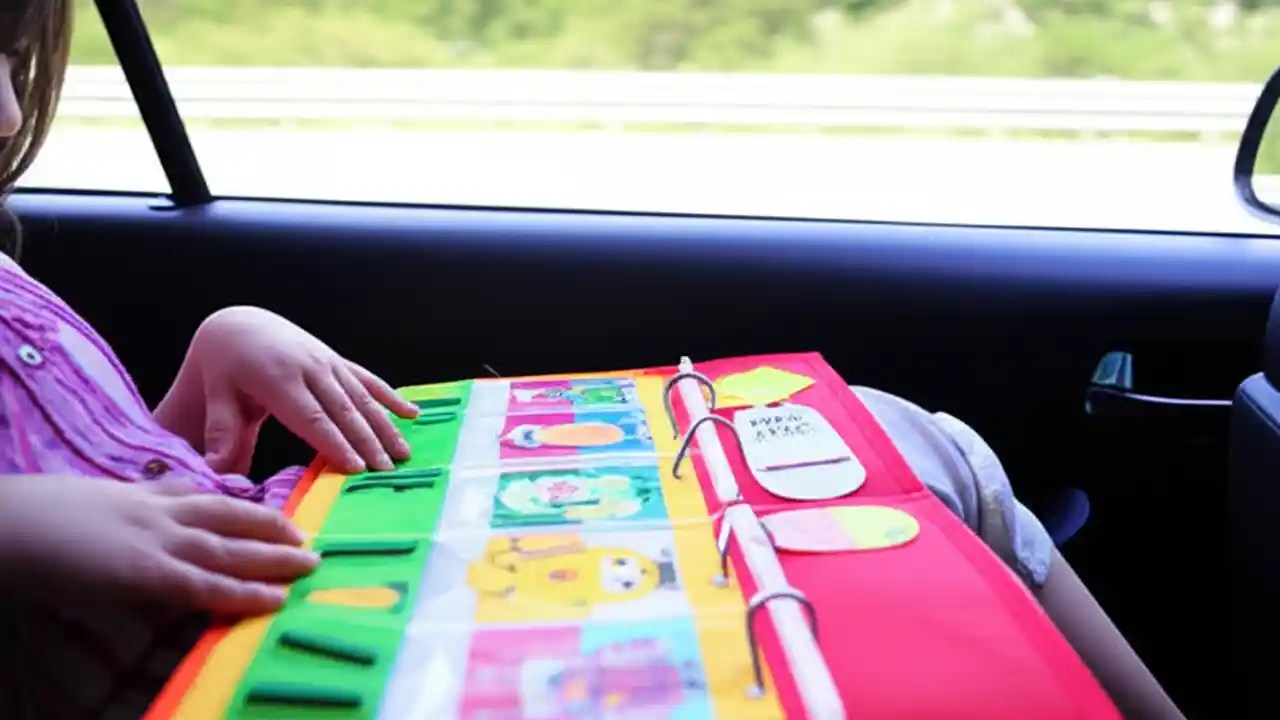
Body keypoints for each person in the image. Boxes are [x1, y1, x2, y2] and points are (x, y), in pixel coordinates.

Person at [0, 2, 1181, 718]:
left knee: (878, 439)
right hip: (252, 671)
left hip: (308, 581)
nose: (9, 113)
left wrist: (214, 358)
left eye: (9, 50)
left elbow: (134, 499)